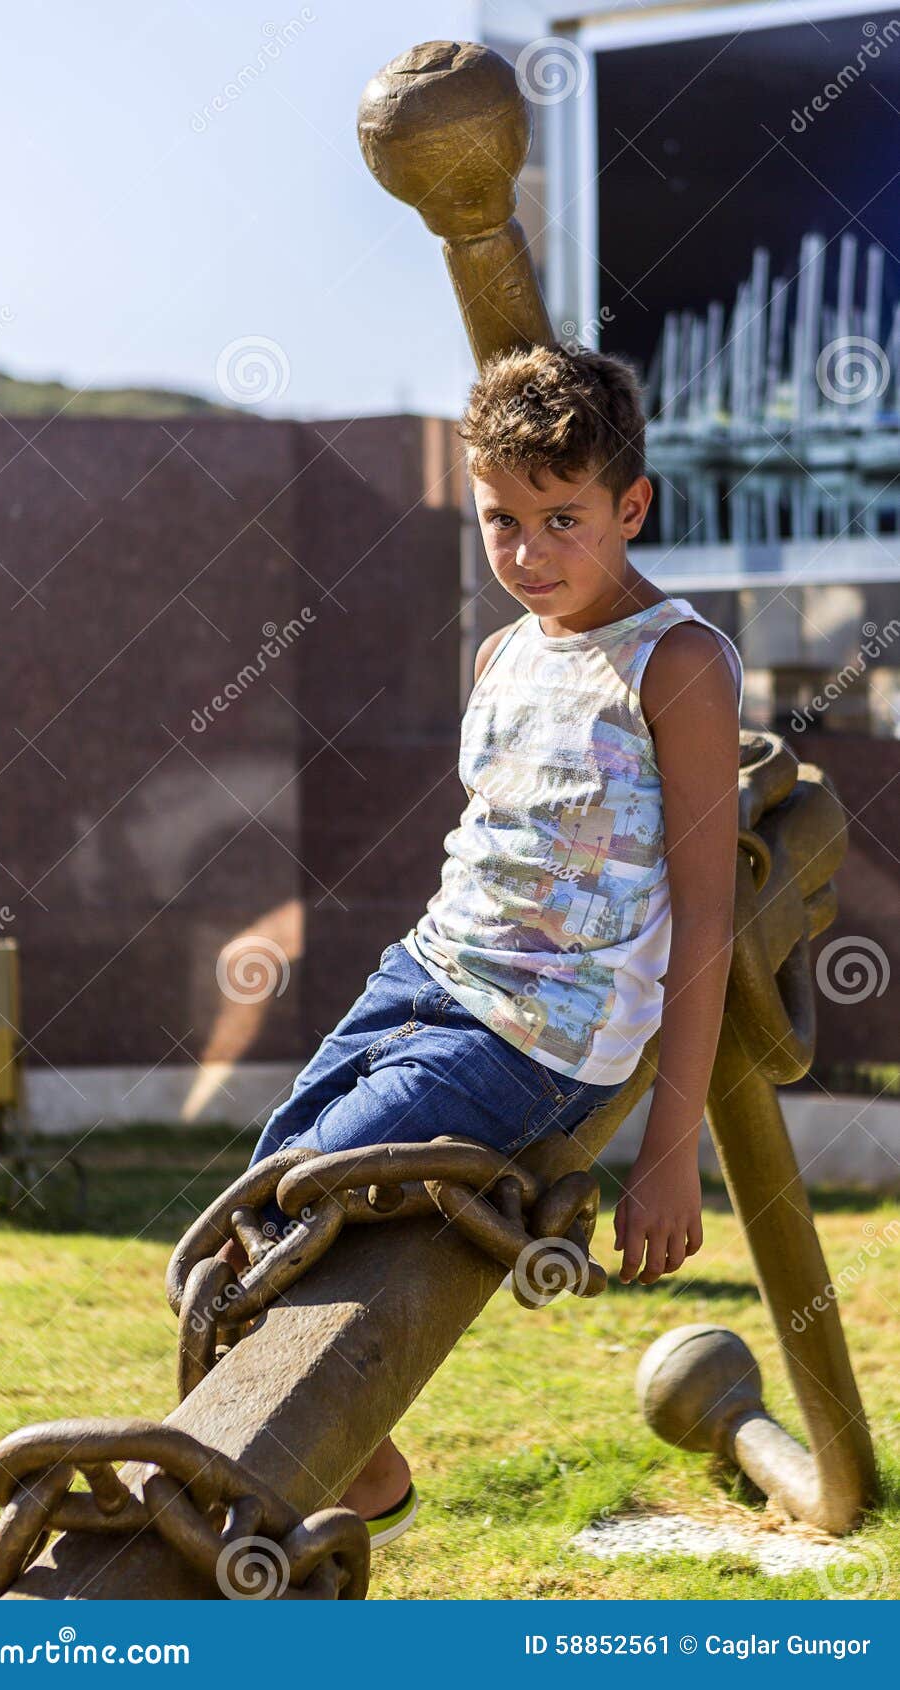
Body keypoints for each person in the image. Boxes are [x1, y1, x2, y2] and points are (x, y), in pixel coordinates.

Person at [241, 343, 743, 1546]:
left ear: (631, 506)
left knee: (323, 1203)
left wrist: (670, 1154)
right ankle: (366, 1478)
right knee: (254, 1217)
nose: (525, 552)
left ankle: (317, 1481)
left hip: (542, 1034)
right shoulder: (500, 655)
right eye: (500, 520)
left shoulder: (673, 665)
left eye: (561, 518)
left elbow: (711, 916)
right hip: (420, 979)